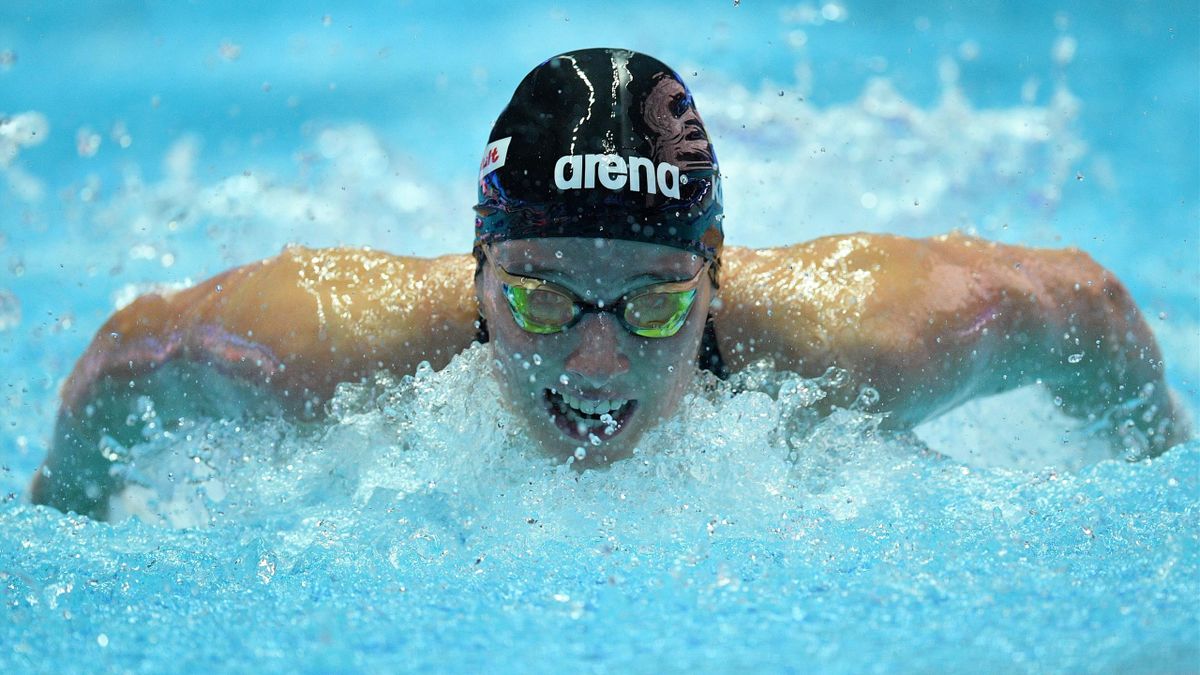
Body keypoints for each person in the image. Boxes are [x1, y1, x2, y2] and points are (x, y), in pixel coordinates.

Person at [31, 48, 1190, 520]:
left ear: (718, 277)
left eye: (652, 304)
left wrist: (1162, 470)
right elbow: (134, 352)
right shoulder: (323, 343)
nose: (594, 365)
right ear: (477, 272)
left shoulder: (864, 341)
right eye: (537, 297)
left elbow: (1082, 304)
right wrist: (64, 515)